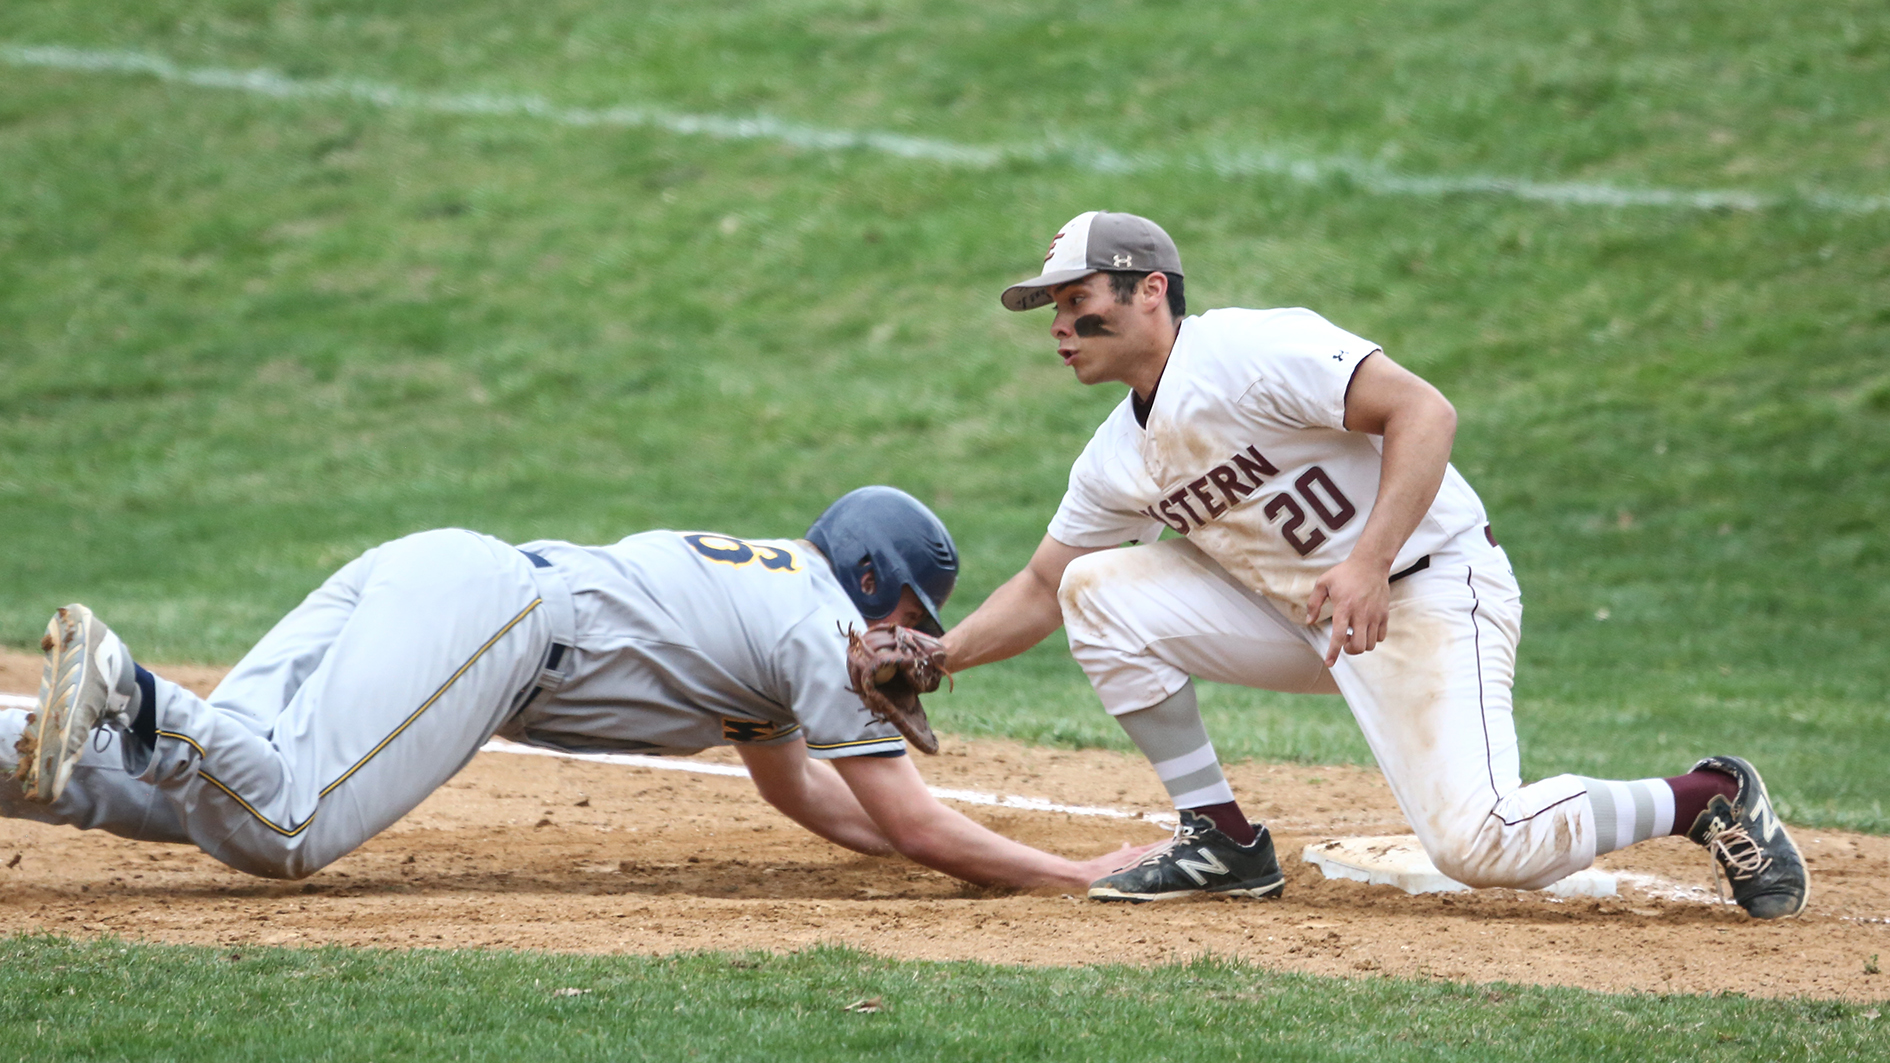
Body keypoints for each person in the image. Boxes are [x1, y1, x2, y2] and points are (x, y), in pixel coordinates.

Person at [938, 211, 1809, 917]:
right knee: (1094, 584)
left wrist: (1368, 558)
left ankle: (1703, 795)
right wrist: (939, 660)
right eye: (1050, 309)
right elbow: (1043, 586)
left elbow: (1423, 412)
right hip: (1312, 621)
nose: (1059, 327)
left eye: (1076, 300)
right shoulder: (1114, 457)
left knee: (1481, 847)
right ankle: (1221, 839)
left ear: (1151, 289)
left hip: (1430, 590)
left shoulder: (1248, 349)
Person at [4, 486, 1141, 891]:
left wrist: (939, 854)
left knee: (185, 799)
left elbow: (805, 795)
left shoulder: (779, 609)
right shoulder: (824, 626)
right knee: (286, 827)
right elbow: (907, 814)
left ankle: (30, 733)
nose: (914, 646)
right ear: (879, 582)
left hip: (439, 578)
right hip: (489, 620)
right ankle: (136, 687)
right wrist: (1070, 871)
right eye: (914, 618)